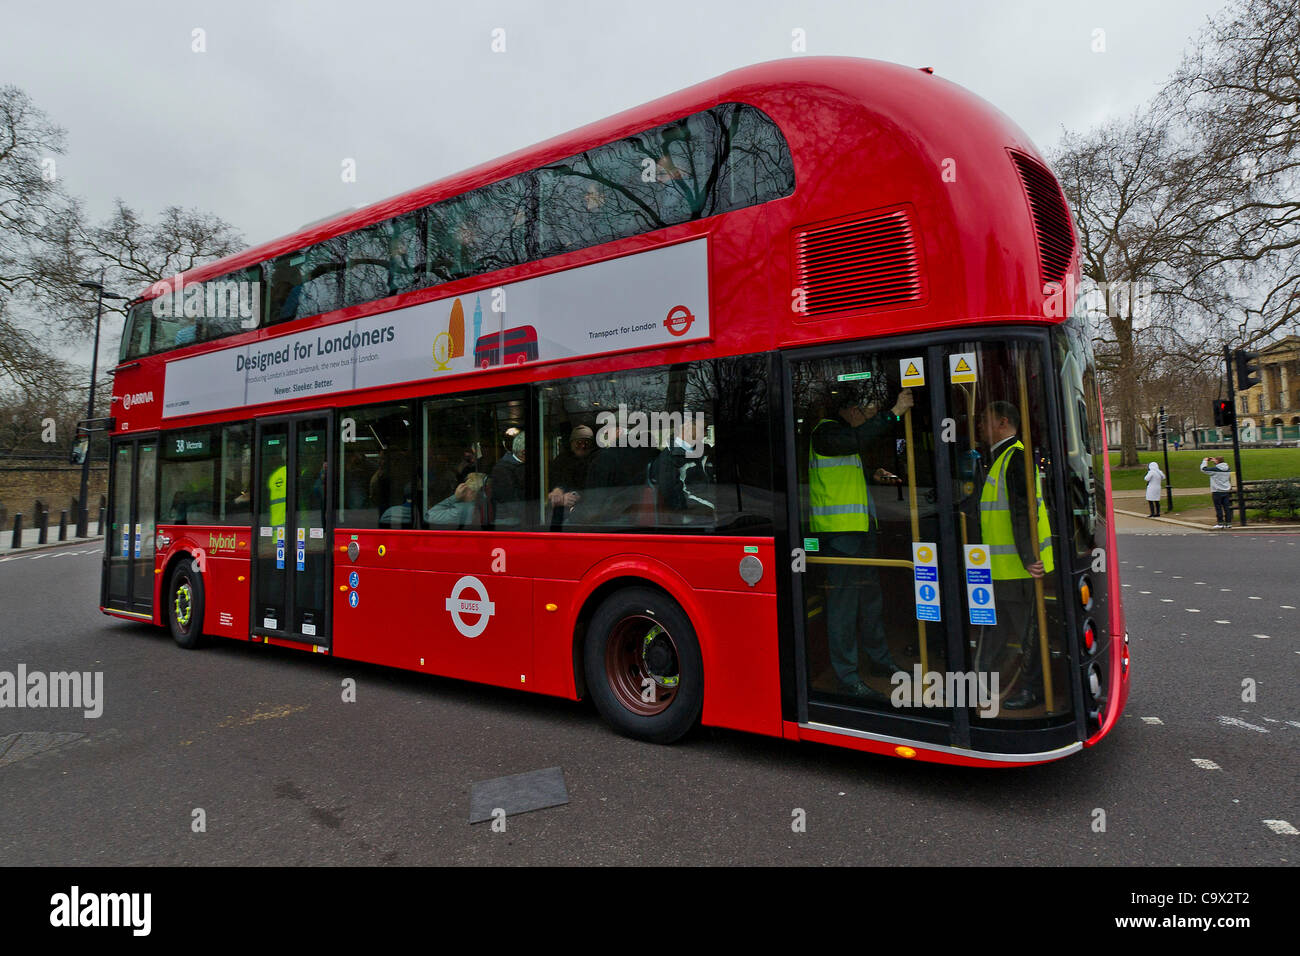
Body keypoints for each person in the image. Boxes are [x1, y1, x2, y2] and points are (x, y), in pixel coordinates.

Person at [809, 385, 911, 698]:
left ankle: (879, 661)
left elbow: (845, 474)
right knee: (843, 608)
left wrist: (871, 473)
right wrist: (893, 414)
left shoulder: (840, 440)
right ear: (850, 411)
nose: (865, 418)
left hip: (859, 533)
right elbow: (855, 440)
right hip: (840, 538)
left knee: (870, 601)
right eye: (864, 412)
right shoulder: (825, 433)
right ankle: (847, 677)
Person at [974, 401, 1055, 711]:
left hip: (1017, 570)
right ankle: (980, 686)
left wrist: (1028, 558)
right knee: (995, 631)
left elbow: (1024, 513)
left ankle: (1035, 689)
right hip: (1001, 568)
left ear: (1003, 423)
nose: (980, 427)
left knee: (1027, 635)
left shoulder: (1014, 458)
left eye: (985, 420)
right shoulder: (1002, 458)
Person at [653, 410, 715, 523]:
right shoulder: (669, 459)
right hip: (695, 521)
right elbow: (674, 499)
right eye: (703, 429)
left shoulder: (704, 452)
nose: (706, 434)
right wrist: (708, 509)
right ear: (687, 426)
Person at [547, 424, 598, 528]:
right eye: (579, 442)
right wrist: (558, 491)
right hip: (561, 514)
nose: (583, 446)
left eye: (587, 442)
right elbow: (555, 482)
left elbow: (597, 489)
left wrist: (577, 495)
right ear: (571, 444)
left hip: (588, 516)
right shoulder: (560, 461)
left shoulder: (597, 461)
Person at [490, 431, 526, 526]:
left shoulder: (521, 465)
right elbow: (510, 501)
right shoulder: (502, 470)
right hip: (508, 520)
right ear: (524, 452)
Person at [1201, 455, 1233, 528]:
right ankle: (1228, 523)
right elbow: (1219, 465)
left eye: (1215, 460)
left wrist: (1205, 461)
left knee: (1218, 507)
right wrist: (1215, 461)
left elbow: (1203, 469)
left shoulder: (1215, 470)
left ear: (1217, 461)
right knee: (1226, 508)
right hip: (1226, 490)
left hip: (1217, 491)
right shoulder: (1228, 468)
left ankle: (1220, 523)